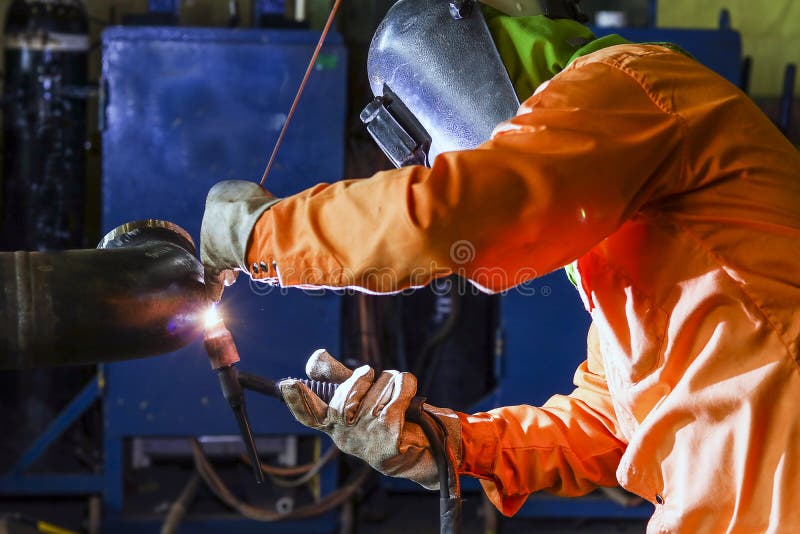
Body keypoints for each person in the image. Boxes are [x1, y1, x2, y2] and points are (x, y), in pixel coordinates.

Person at [200, 0, 800, 531]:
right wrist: (449, 444)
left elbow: (456, 218)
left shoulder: (634, 83)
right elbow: (604, 420)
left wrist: (259, 233)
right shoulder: (623, 234)